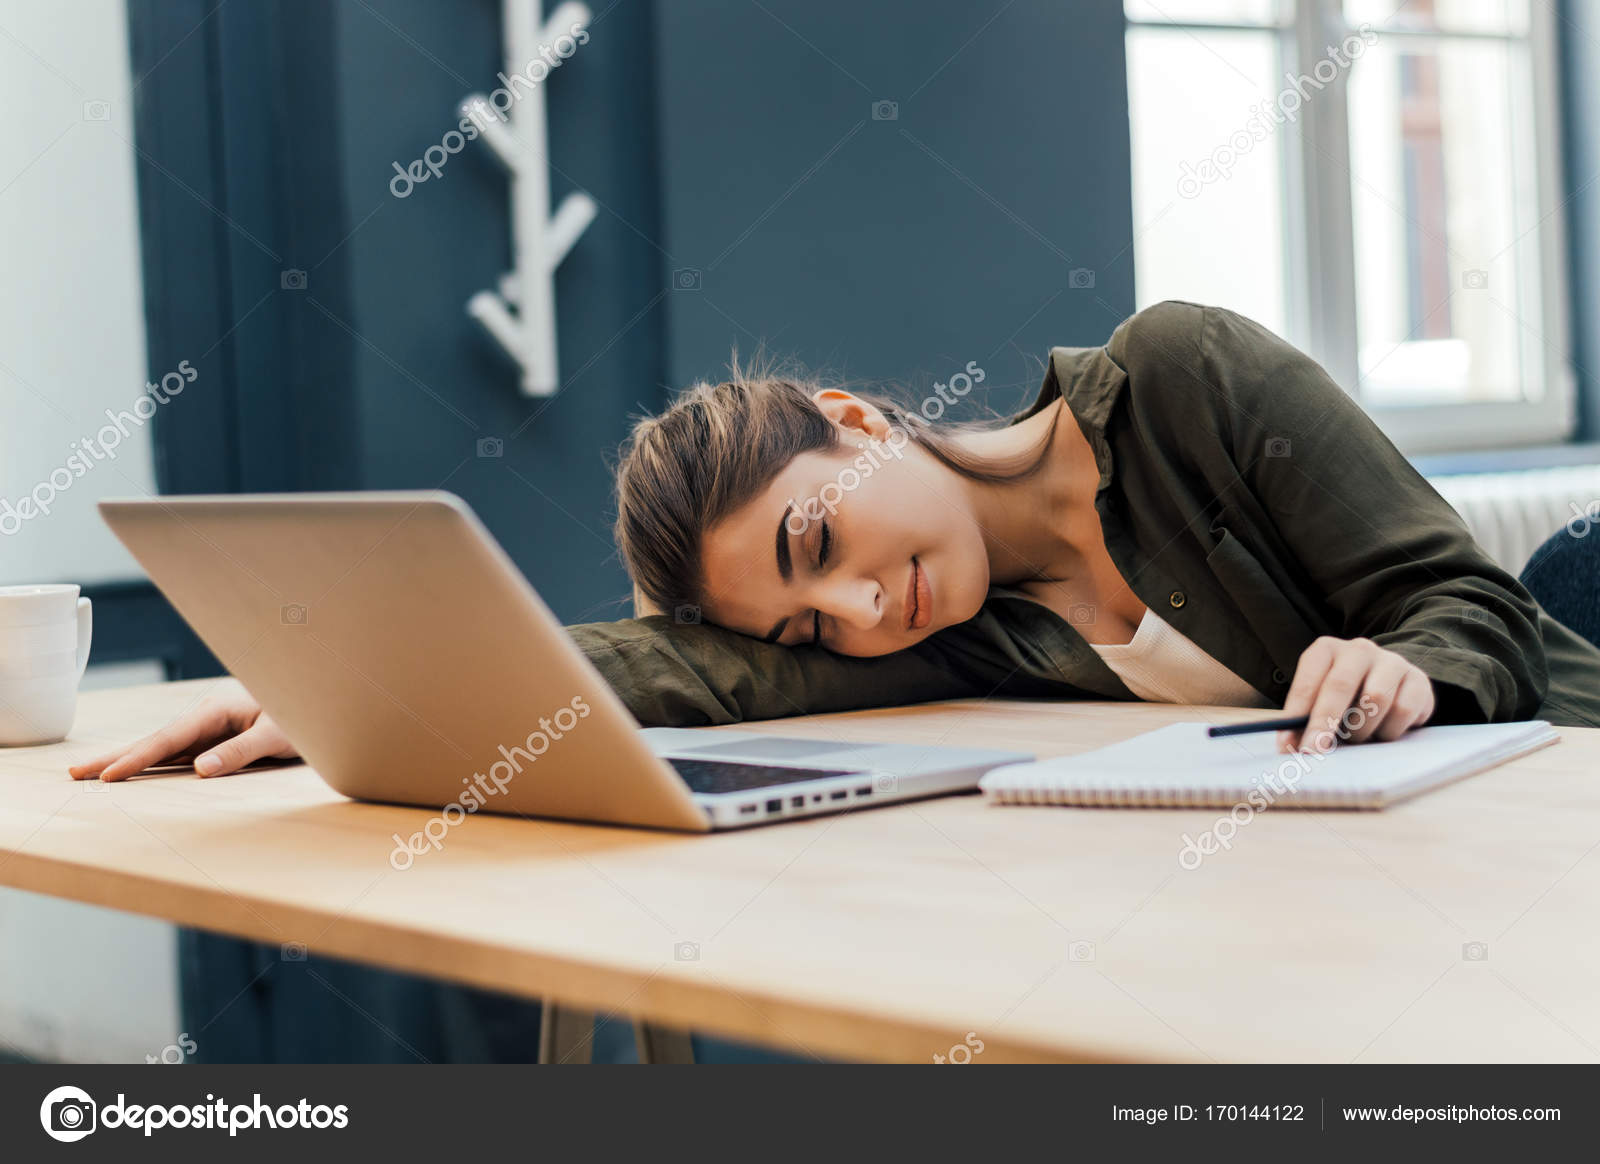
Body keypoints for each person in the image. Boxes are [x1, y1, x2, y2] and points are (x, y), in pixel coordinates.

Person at [69, 299, 1600, 786]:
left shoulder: (1183, 377)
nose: (863, 610)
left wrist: (1407, 668)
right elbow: (691, 668)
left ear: (856, 418)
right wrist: (367, 686)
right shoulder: (945, 638)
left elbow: (1468, 606)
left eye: (819, 541)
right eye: (811, 625)